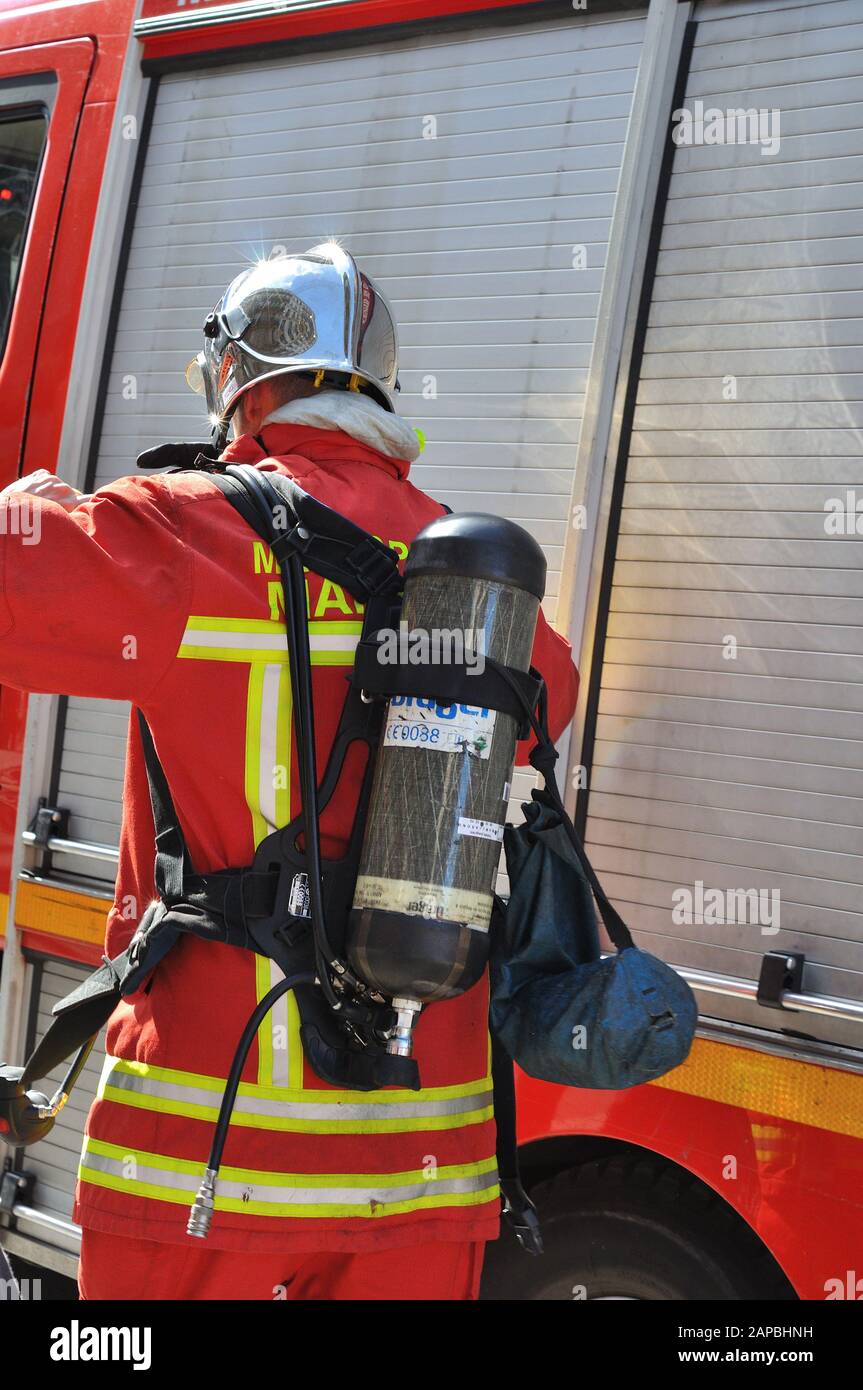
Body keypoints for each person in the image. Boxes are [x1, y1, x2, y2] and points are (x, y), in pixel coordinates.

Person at [0, 244, 578, 1300]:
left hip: (205, 1155)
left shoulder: (184, 529)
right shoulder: (466, 577)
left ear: (237, 374)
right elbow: (557, 690)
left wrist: (36, 499)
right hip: (422, 1166)